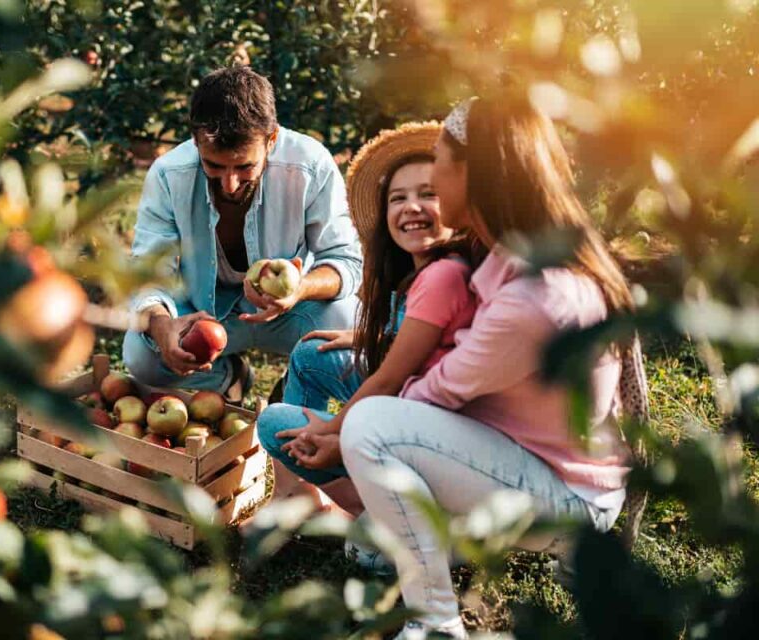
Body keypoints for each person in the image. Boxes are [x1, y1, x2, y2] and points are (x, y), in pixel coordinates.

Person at [290, 97, 634, 639]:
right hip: (530, 459)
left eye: (440, 164)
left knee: (372, 427)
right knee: (371, 492)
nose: (432, 178)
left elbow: (434, 393)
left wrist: (340, 439)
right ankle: (443, 538)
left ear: (475, 177)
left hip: (568, 497)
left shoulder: (534, 296)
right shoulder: (511, 257)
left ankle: (435, 623)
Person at [255, 122, 481, 521]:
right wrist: (366, 336)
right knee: (311, 353)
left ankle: (374, 509)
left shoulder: (444, 276)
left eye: (428, 194)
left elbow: (390, 381)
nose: (411, 206)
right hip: (410, 411)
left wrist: (333, 433)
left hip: (421, 429)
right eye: (398, 198)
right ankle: (301, 497)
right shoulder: (423, 272)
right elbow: (419, 338)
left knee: (276, 423)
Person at [122, 66, 362, 400]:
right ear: (195, 142)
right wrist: (162, 326)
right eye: (214, 166)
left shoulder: (310, 165)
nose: (230, 184)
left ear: (271, 140)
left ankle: (298, 383)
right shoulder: (169, 174)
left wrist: (300, 288)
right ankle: (228, 378)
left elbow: (346, 260)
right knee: (141, 356)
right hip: (204, 312)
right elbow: (147, 270)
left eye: (245, 167)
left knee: (351, 326)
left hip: (290, 312)